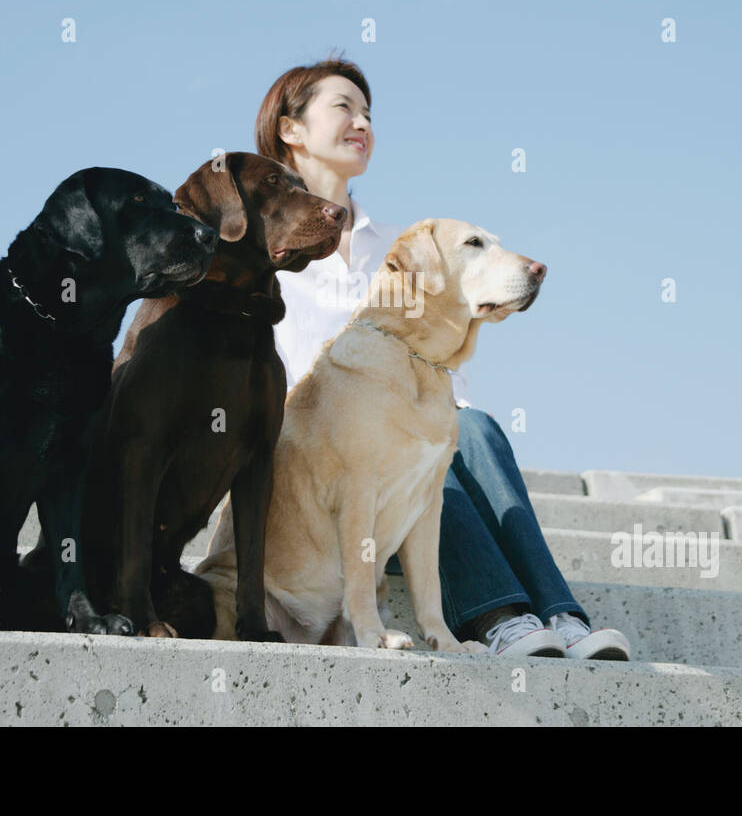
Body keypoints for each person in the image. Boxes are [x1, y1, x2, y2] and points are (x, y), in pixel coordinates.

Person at [255, 54, 631, 660]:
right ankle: (502, 619)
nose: (363, 122)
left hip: (405, 484)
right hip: (321, 495)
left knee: (471, 427)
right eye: (343, 107)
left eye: (370, 113)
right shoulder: (262, 253)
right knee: (413, 443)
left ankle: (563, 618)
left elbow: (444, 365)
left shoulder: (411, 242)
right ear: (290, 130)